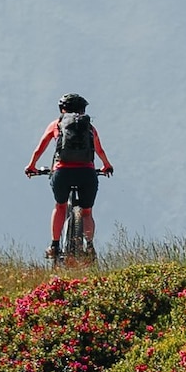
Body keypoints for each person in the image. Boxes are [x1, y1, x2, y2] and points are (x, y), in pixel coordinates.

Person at [26, 92, 113, 260]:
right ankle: (89, 246)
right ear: (82, 110)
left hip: (62, 172)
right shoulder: (89, 127)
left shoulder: (56, 125)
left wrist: (31, 166)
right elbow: (100, 150)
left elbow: (39, 148)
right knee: (87, 212)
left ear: (62, 109)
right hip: (86, 173)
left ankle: (54, 245)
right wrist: (107, 165)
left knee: (60, 206)